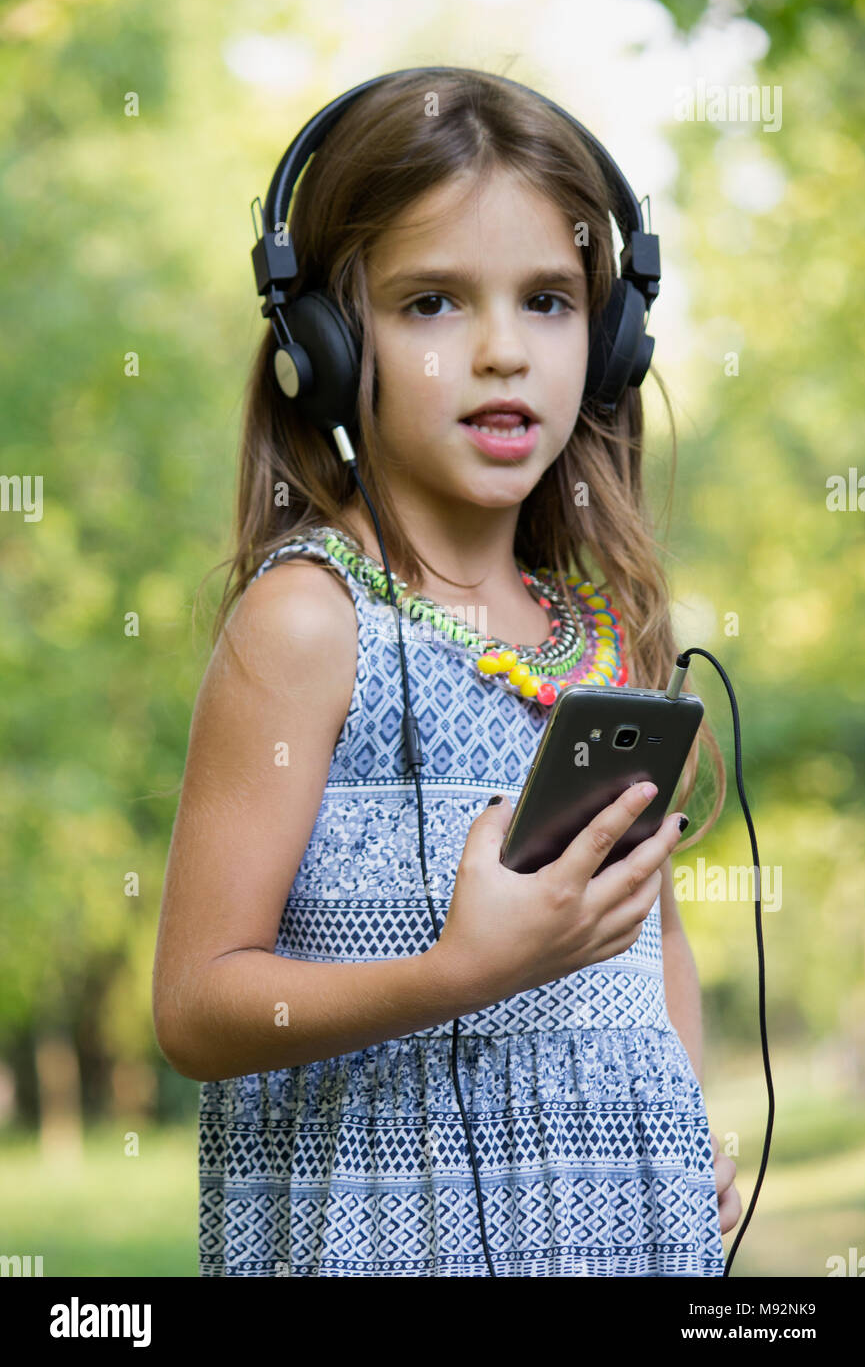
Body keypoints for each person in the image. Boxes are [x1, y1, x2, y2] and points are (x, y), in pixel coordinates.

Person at [153, 67, 741, 1277]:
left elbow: (654, 939)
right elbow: (197, 1008)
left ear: (612, 337)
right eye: (430, 304)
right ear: (320, 342)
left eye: (546, 300)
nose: (498, 353)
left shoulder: (606, 633)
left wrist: (685, 1123)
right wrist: (458, 974)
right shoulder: (308, 625)